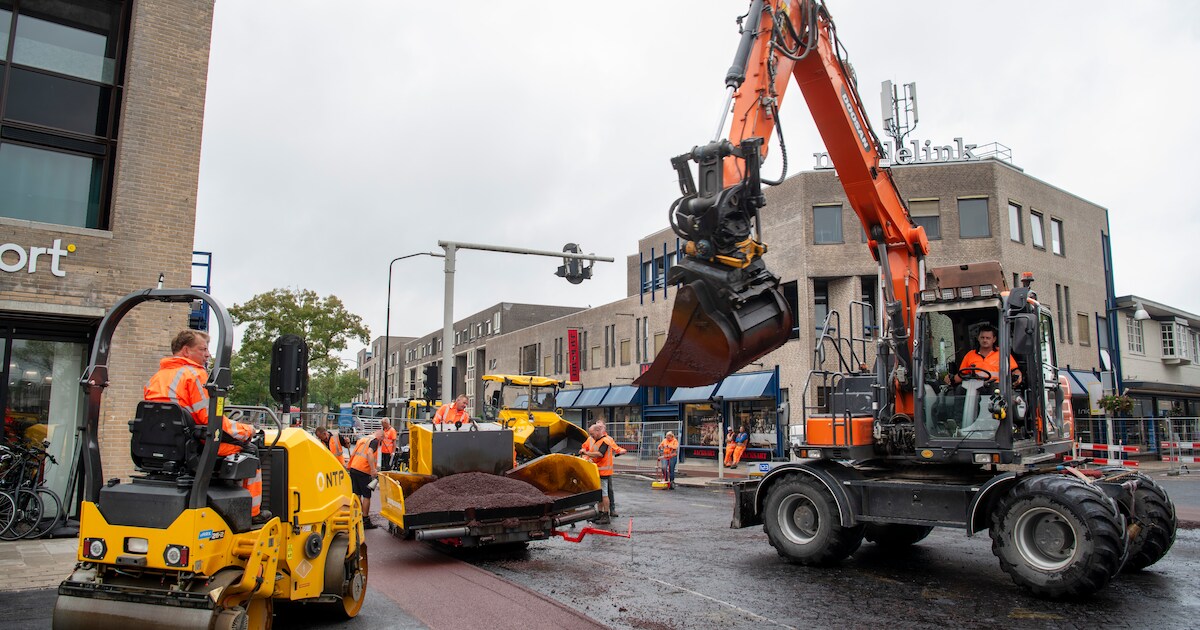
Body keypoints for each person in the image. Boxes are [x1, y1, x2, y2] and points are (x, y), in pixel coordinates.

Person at [145, 330, 268, 524]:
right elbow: (210, 419)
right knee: (249, 451)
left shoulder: (157, 377)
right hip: (195, 446)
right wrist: (248, 430)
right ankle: (252, 513)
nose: (207, 354)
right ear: (186, 351)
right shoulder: (196, 375)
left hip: (163, 447)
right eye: (202, 349)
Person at [579, 423, 626, 524]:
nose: (591, 436)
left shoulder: (605, 441)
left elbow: (600, 454)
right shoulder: (597, 440)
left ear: (598, 431)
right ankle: (600, 514)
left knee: (604, 493)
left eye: (592, 434)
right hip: (597, 470)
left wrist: (586, 453)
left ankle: (606, 514)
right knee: (599, 493)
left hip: (604, 472)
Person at [948, 325, 1022, 386]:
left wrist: (1018, 375)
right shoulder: (970, 355)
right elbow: (962, 375)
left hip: (997, 388)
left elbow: (1014, 370)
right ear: (978, 338)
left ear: (994, 339)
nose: (985, 340)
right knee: (960, 389)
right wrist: (950, 379)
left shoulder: (1002, 354)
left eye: (988, 338)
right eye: (982, 337)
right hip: (975, 389)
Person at [347, 429, 382, 529]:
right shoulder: (374, 441)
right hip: (363, 470)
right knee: (367, 495)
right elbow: (369, 453)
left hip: (354, 468)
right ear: (380, 436)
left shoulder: (363, 439)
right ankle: (365, 519)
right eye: (382, 439)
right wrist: (373, 470)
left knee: (357, 493)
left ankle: (357, 516)